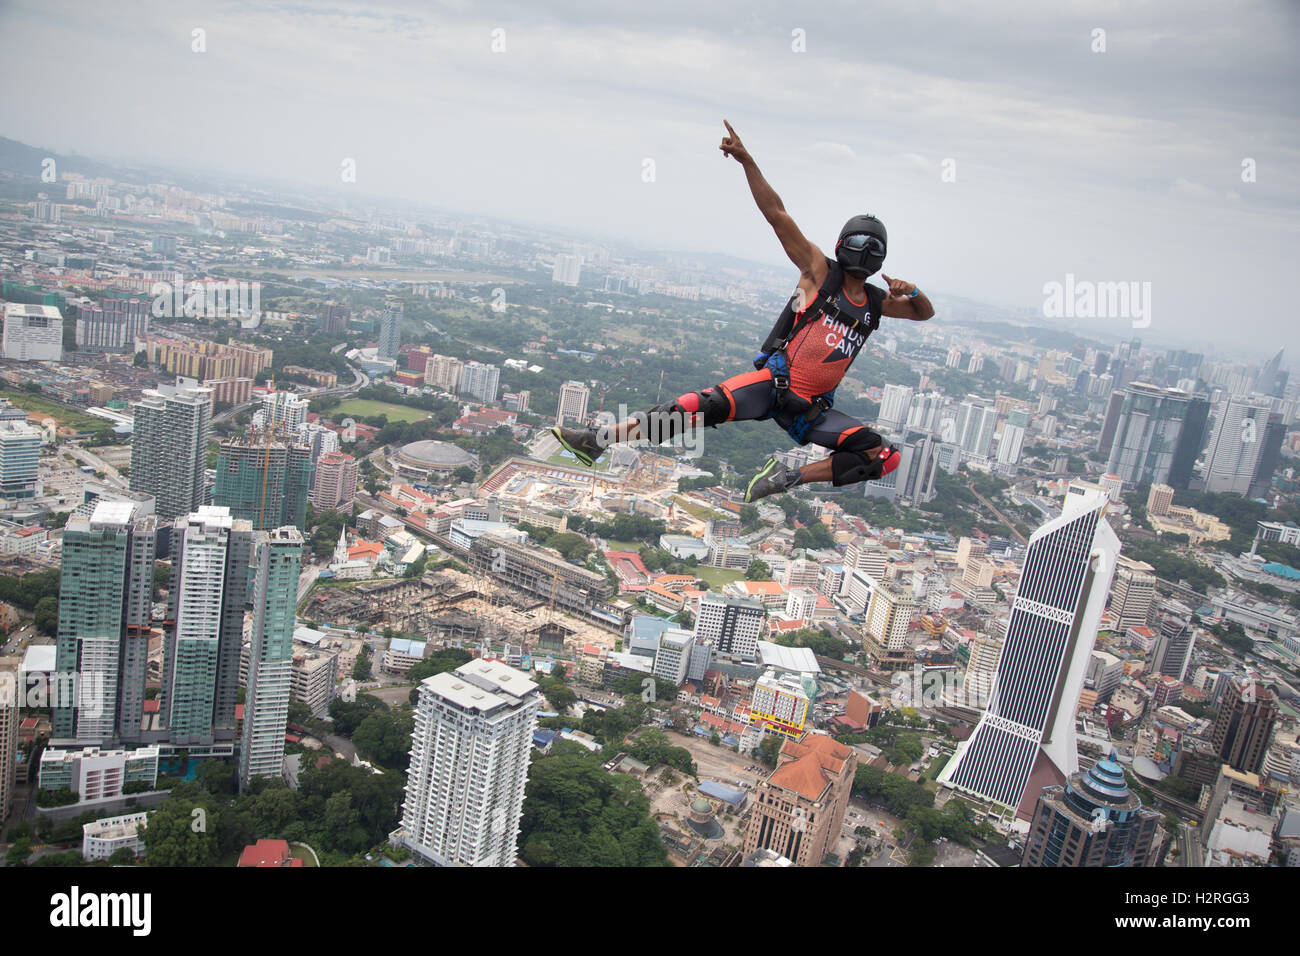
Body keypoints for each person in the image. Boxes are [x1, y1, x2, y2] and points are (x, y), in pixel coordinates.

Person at [552, 120, 934, 502]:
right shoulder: (819, 273)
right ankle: (596, 440)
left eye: (873, 246)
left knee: (884, 455)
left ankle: (788, 478)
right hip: (773, 386)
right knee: (692, 407)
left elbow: (923, 313)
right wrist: (748, 163)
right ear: (842, 244)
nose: (865, 250)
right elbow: (777, 215)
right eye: (859, 242)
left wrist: (912, 290)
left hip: (810, 411)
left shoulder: (874, 303)